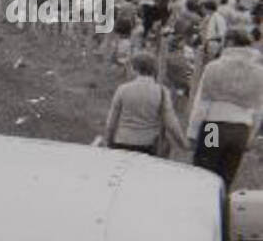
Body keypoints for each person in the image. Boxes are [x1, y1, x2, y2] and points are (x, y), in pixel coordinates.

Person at [188, 29, 263, 186]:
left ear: (229, 43)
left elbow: (202, 102)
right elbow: (258, 109)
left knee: (204, 171)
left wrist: (193, 132)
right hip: (241, 129)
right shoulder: (259, 73)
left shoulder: (214, 67)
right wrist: (250, 136)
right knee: (226, 177)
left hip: (214, 126)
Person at [104, 51, 188, 156]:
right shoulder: (162, 92)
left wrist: (108, 141)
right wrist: (183, 144)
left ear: (134, 69)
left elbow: (111, 122)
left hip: (122, 141)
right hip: (149, 145)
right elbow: (171, 123)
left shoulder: (122, 89)